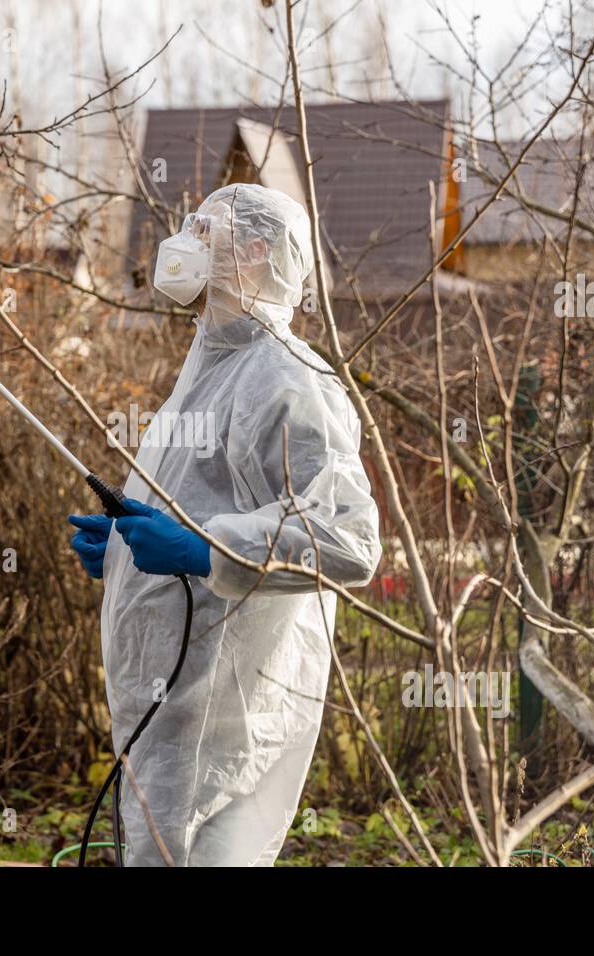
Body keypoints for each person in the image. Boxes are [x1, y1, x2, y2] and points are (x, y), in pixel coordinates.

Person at [68, 183, 381, 866]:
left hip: (232, 706)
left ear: (256, 252)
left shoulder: (289, 379)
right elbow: (194, 502)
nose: (184, 243)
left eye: (205, 231)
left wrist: (201, 548)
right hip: (170, 706)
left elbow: (349, 541)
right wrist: (124, 546)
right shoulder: (207, 368)